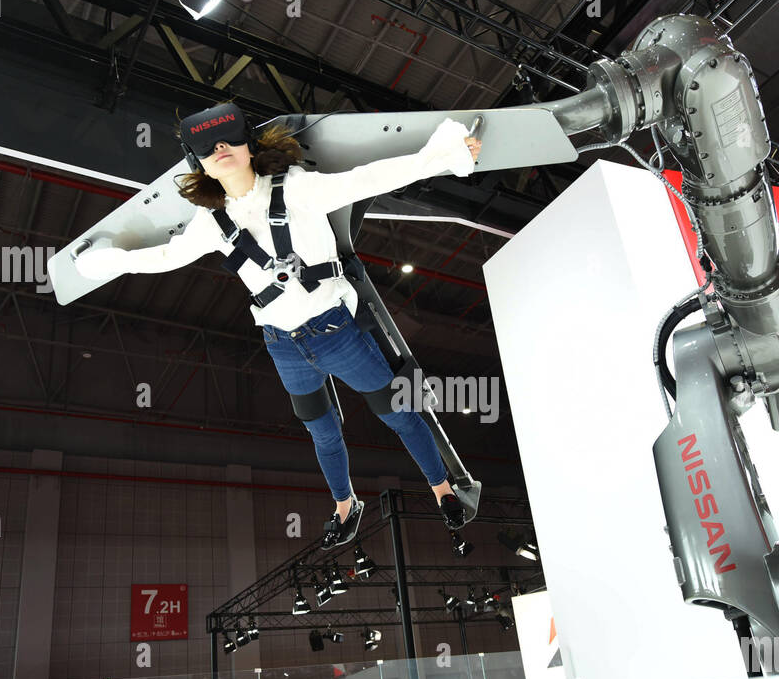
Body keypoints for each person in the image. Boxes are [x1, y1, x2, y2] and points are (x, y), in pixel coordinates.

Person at [76, 103, 481, 548]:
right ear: (198, 163)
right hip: (282, 345)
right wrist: (105, 262)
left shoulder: (297, 188)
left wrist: (444, 155)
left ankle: (443, 489)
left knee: (398, 415)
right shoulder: (211, 221)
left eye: (228, 139)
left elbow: (369, 178)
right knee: (322, 432)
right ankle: (346, 506)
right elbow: (165, 257)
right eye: (207, 148)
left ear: (249, 144)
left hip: (335, 333)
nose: (220, 149)